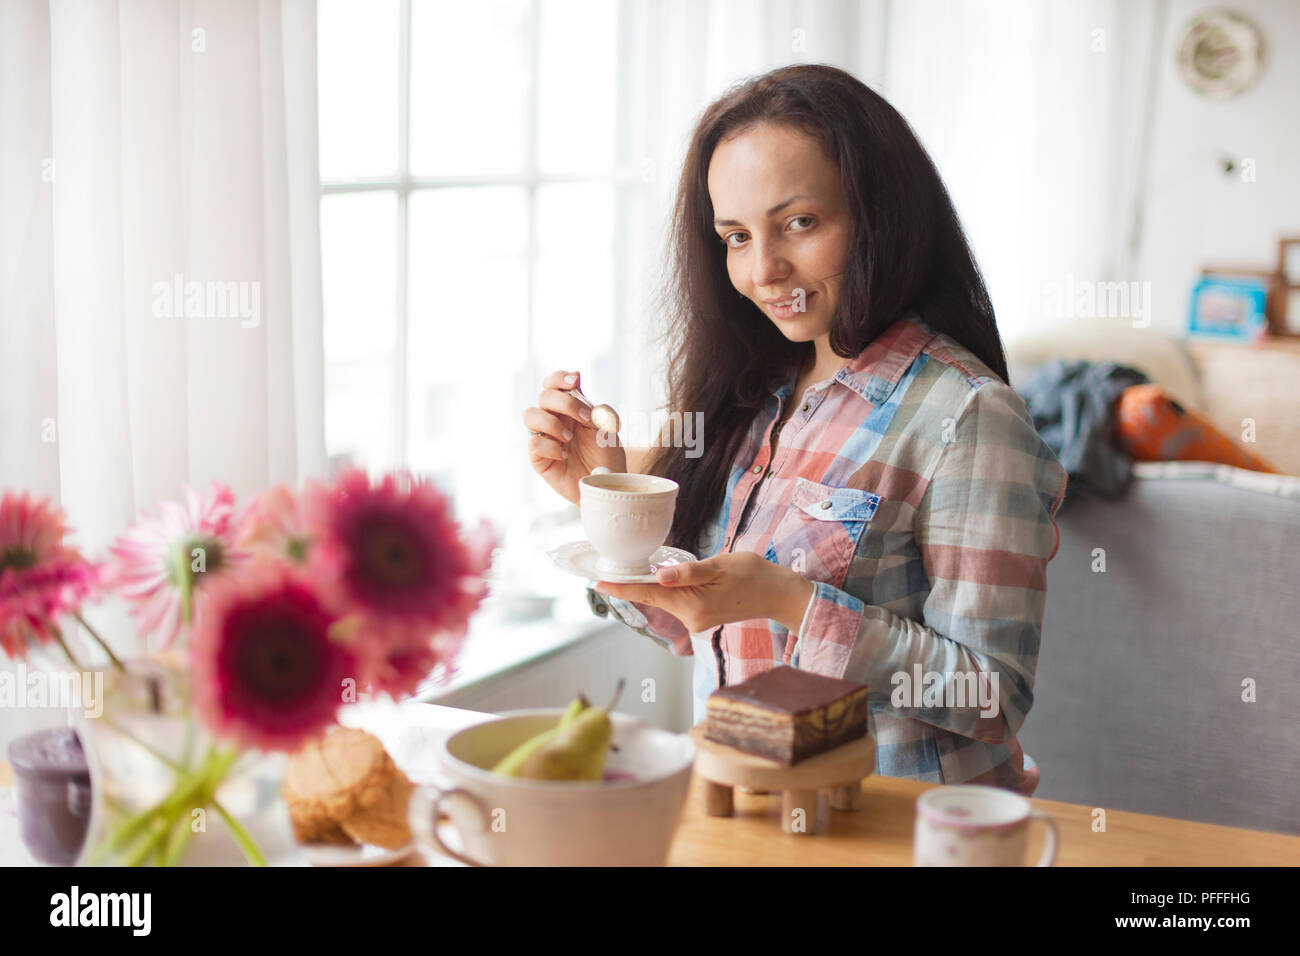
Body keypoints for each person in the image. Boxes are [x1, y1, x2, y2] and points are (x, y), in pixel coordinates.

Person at [522, 64, 1067, 795]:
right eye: (736, 236)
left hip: (896, 834)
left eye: (800, 223)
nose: (764, 269)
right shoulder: (749, 394)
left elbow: (994, 695)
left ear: (880, 214)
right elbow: (692, 626)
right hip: (752, 818)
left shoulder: (967, 417)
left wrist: (791, 601)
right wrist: (606, 495)